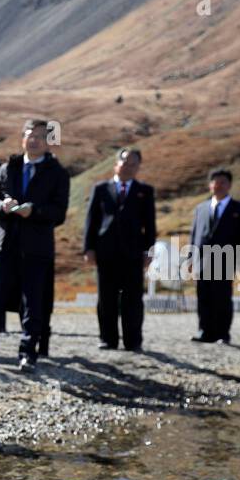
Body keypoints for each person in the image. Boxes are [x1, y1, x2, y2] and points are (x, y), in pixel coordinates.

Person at [0, 119, 70, 371]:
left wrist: (33, 211)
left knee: (33, 303)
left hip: (36, 248)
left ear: (48, 142)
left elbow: (59, 212)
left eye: (40, 136)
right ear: (22, 138)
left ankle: (27, 354)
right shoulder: (8, 168)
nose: (34, 139)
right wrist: (2, 207)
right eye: (29, 134)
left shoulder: (57, 173)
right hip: (3, 244)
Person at [82, 147, 157, 351]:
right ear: (116, 164)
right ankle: (108, 338)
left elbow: (150, 226)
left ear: (138, 167)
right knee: (106, 298)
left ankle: (133, 341)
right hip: (105, 252)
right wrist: (88, 248)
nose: (128, 167)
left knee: (133, 299)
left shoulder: (145, 192)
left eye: (133, 164)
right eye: (125, 162)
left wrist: (148, 252)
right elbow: (91, 221)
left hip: (133, 254)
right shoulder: (100, 189)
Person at [187, 168, 240, 344]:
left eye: (222, 182)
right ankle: (204, 331)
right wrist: (190, 258)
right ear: (210, 185)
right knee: (203, 297)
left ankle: (223, 333)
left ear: (229, 185)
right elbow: (194, 235)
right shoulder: (201, 208)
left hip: (226, 259)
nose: (218, 185)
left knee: (222, 298)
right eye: (215, 182)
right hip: (203, 259)